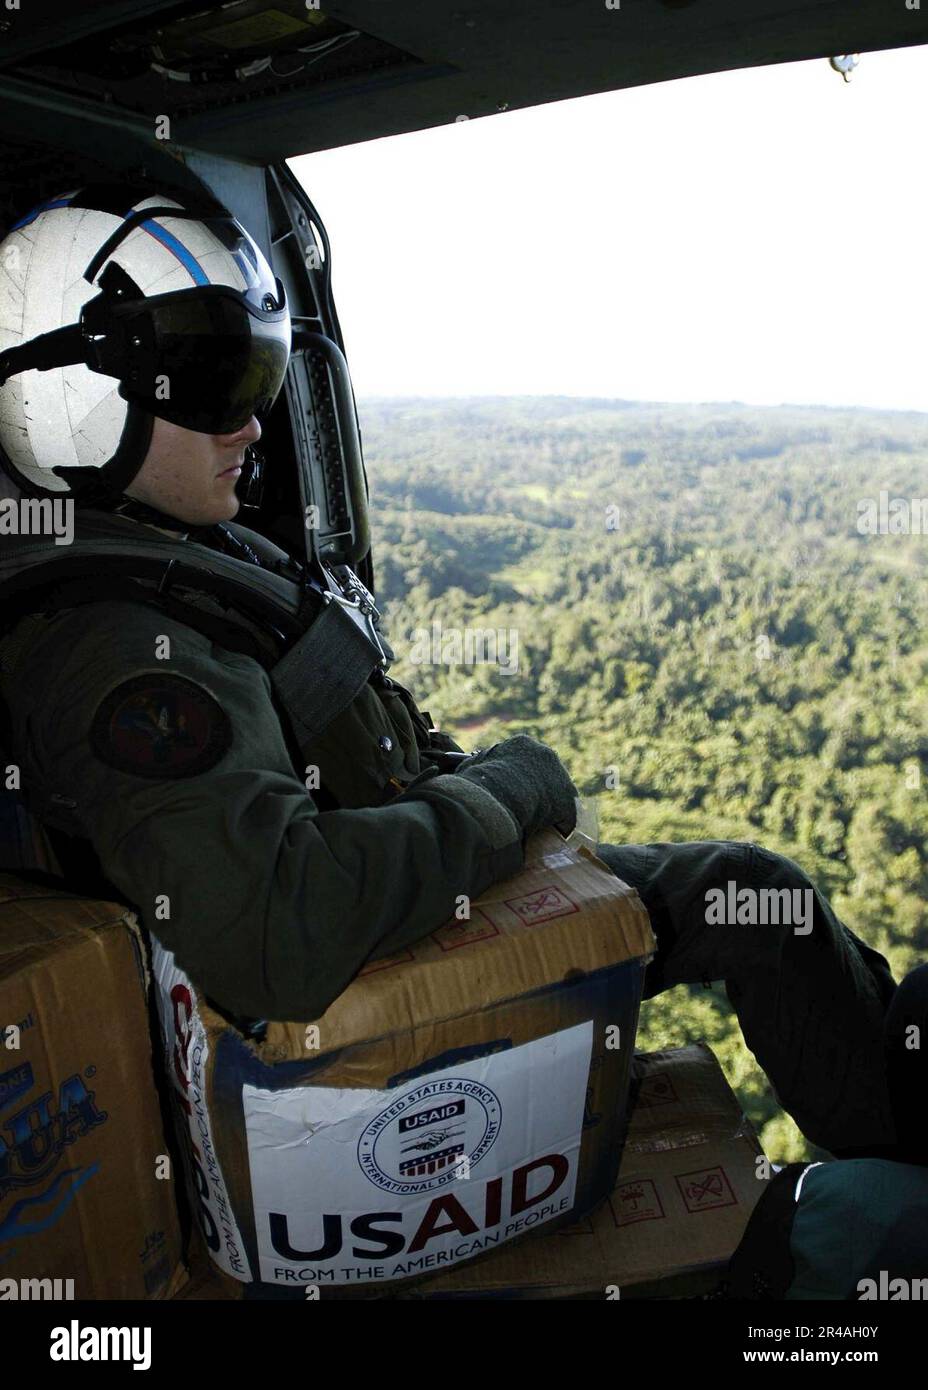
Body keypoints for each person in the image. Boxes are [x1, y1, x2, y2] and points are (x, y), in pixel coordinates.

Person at [0, 183, 908, 1164]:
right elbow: (276, 933)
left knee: (750, 889)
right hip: (365, 972)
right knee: (755, 894)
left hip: (396, 880)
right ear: (73, 400)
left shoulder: (159, 554)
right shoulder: (113, 643)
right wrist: (511, 790)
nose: (254, 425)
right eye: (219, 385)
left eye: (260, 381)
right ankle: (907, 1177)